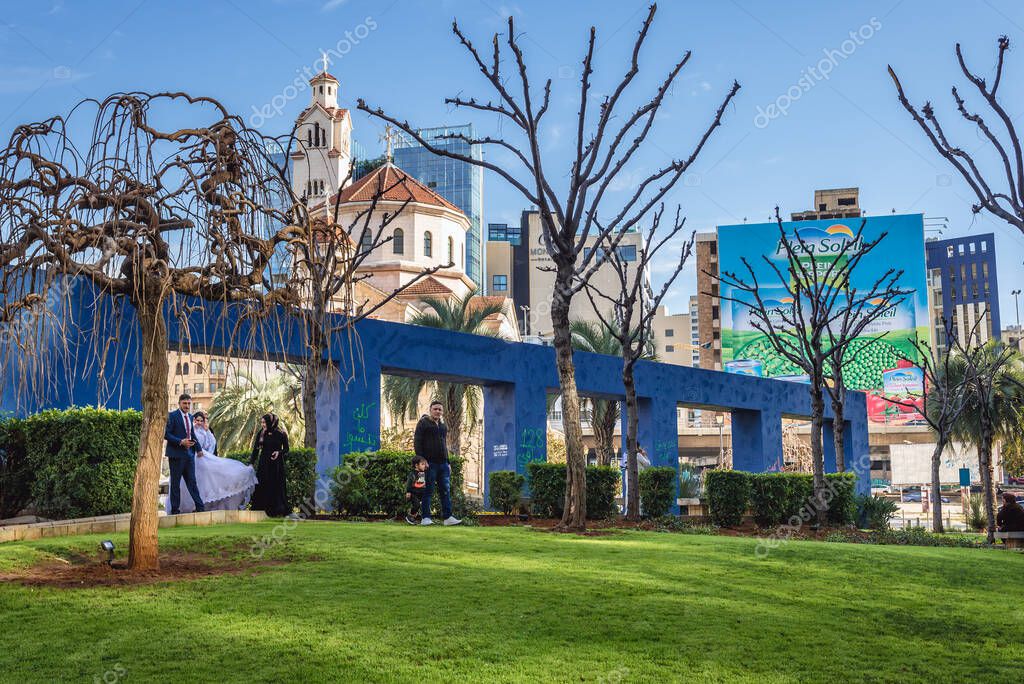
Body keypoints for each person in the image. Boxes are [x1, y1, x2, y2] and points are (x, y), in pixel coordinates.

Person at [174, 411, 258, 513]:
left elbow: (211, 444)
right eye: (197, 420)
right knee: (192, 483)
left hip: (202, 458)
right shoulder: (189, 430)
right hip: (191, 458)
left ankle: (202, 505)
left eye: (201, 421)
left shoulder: (205, 432)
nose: (199, 423)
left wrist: (207, 433)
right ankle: (189, 506)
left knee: (205, 483)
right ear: (194, 420)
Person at [413, 401, 461, 526]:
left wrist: (448, 462)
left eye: (440, 409)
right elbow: (417, 442)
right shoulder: (423, 423)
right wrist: (422, 461)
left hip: (443, 464)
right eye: (435, 409)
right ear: (430, 409)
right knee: (427, 491)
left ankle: (448, 517)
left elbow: (444, 445)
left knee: (445, 491)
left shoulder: (443, 426)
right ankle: (426, 518)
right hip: (429, 464)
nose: (438, 411)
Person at [164, 393, 205, 515]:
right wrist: (180, 442)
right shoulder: (172, 416)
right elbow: (166, 434)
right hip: (176, 456)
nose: (187, 406)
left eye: (188, 403)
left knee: (192, 482)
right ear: (179, 403)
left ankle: (200, 507)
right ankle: (175, 510)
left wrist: (198, 449)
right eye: (184, 403)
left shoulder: (191, 416)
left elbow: (192, 434)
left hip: (189, 456)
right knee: (175, 484)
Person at [250, 413, 290, 517]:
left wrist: (278, 452)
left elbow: (286, 449)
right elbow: (256, 449)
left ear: (270, 422)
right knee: (263, 484)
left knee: (275, 485)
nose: (262, 424)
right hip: (264, 463)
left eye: (264, 422)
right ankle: (262, 509)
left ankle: (276, 510)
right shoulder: (261, 433)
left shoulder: (281, 433)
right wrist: (251, 462)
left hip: (276, 465)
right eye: (262, 422)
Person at [404, 455, 429, 525]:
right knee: (416, 505)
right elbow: (409, 483)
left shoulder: (423, 473)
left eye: (424, 464)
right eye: (422, 464)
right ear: (416, 465)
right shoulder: (412, 474)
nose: (424, 466)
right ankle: (410, 517)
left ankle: (413, 518)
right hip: (413, 493)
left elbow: (422, 484)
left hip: (421, 494)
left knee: (419, 506)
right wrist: (408, 492)